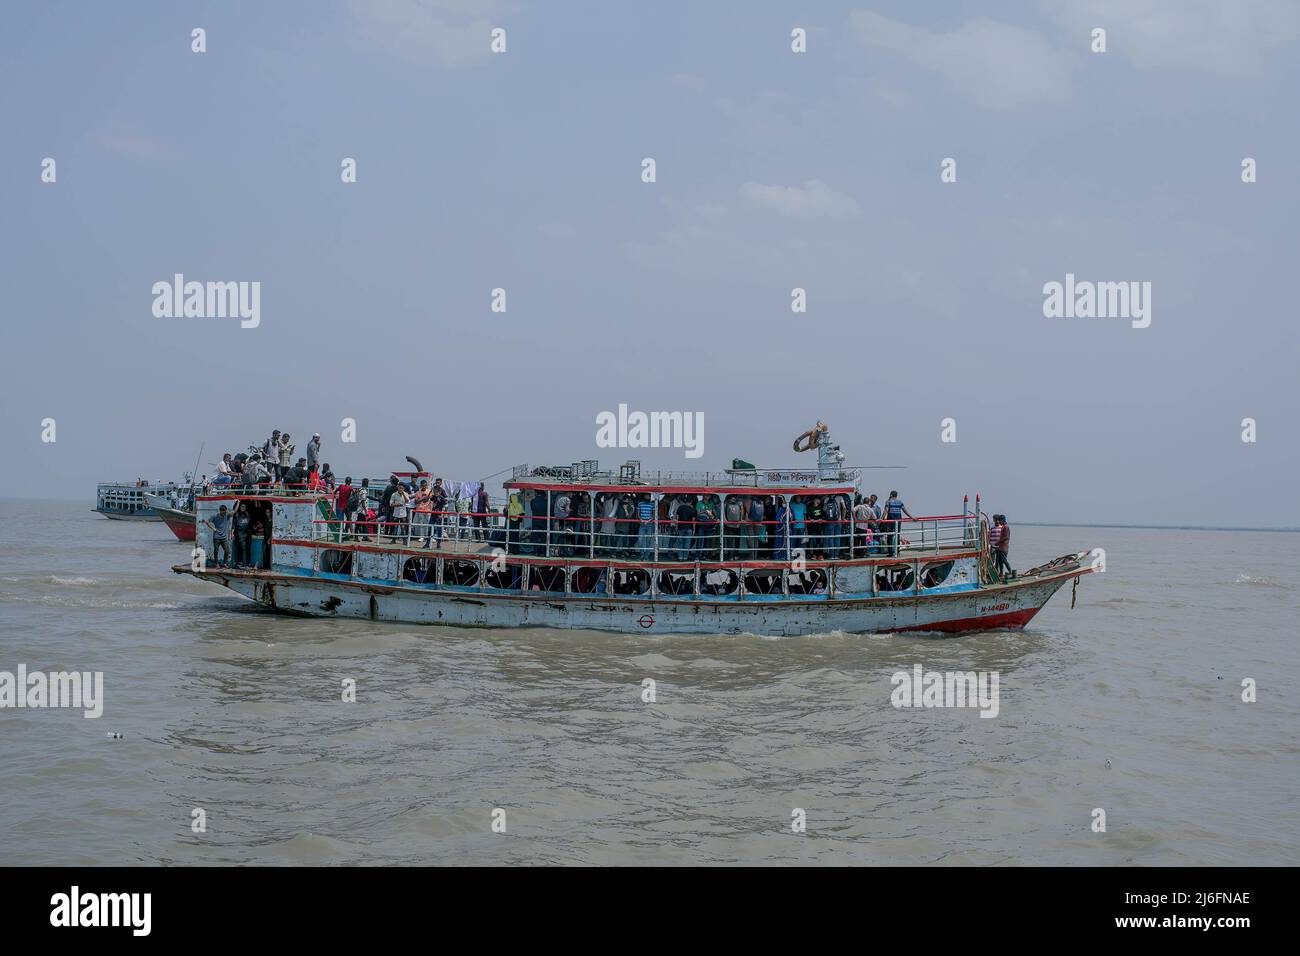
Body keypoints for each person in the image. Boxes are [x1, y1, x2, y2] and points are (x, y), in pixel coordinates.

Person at [882, 491, 913, 557]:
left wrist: (881, 519)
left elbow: (886, 510)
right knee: (898, 535)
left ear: (891, 495)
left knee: (890, 536)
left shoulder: (888, 501)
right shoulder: (900, 502)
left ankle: (890, 553)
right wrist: (912, 517)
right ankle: (897, 551)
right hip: (898, 520)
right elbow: (905, 510)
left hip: (891, 520)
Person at [675, 495, 696, 561]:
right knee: (687, 543)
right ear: (691, 502)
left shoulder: (680, 507)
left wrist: (676, 527)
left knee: (680, 543)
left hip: (681, 527)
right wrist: (694, 530)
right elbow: (693, 521)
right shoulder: (692, 509)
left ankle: (680, 557)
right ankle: (685, 558)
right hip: (689, 528)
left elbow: (677, 518)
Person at [636, 493, 655, 559]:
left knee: (648, 541)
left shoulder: (652, 504)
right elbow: (638, 514)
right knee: (640, 539)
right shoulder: (640, 504)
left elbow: (654, 515)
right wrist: (641, 519)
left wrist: (649, 520)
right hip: (642, 523)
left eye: (649, 496)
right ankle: (642, 554)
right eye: (646, 495)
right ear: (644, 496)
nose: (648, 497)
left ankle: (646, 556)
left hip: (649, 523)